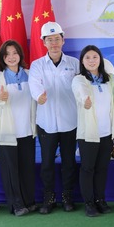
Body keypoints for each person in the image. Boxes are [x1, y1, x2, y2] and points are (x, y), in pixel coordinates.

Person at [28, 21, 80, 214]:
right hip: (46, 121)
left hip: (70, 121)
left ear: (63, 40)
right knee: (47, 163)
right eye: (49, 40)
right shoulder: (37, 65)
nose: (54, 43)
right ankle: (48, 198)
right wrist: (38, 95)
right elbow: (34, 85)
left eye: (57, 39)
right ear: (44, 42)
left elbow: (82, 86)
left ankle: (67, 197)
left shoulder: (74, 64)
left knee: (69, 163)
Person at [73, 45, 114, 217]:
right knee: (88, 168)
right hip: (89, 134)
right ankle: (89, 203)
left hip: (106, 132)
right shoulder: (79, 80)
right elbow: (81, 92)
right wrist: (85, 100)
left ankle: (100, 200)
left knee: (102, 168)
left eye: (95, 57)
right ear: (82, 61)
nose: (91, 61)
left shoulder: (109, 80)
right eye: (87, 58)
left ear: (100, 59)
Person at [0, 40, 36, 217]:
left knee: (27, 168)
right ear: (2, 58)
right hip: (7, 132)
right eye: (7, 54)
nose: (11, 57)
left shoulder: (31, 75)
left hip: (27, 130)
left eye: (14, 53)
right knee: (10, 169)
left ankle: (29, 201)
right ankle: (16, 204)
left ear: (20, 55)